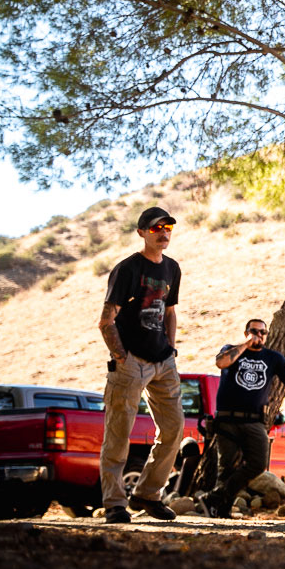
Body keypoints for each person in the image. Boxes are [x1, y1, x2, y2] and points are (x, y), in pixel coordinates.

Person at [94, 206, 187, 523]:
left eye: (168, 227)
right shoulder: (127, 269)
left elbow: (170, 312)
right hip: (130, 362)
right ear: (141, 232)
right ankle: (115, 503)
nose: (163, 232)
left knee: (174, 429)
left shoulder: (172, 269)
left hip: (164, 363)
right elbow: (107, 320)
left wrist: (171, 349)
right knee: (118, 435)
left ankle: (148, 494)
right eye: (156, 228)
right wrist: (121, 357)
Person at [198, 318, 285, 519]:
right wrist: (246, 344)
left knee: (257, 463)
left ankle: (213, 497)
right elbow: (221, 362)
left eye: (263, 332)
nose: (259, 335)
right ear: (246, 332)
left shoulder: (273, 358)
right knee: (226, 466)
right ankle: (221, 510)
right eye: (255, 331)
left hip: (254, 421)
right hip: (227, 420)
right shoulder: (231, 350)